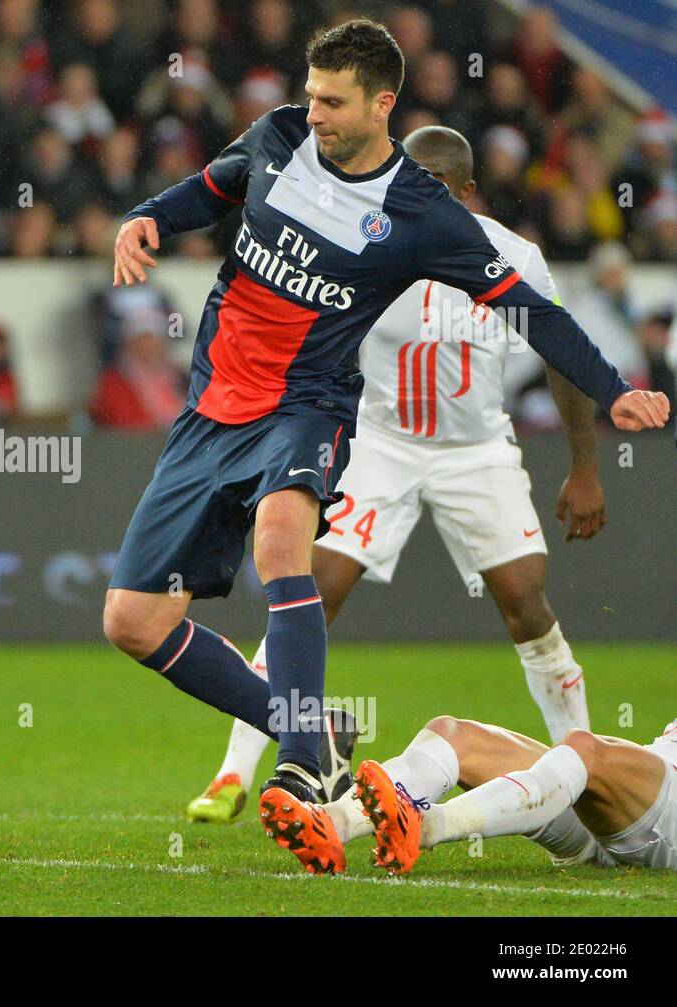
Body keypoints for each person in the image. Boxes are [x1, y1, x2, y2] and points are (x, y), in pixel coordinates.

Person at [104, 20, 669, 857]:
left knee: (285, 542)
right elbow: (213, 189)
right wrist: (148, 218)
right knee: (132, 621)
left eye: (332, 100)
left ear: (382, 104)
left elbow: (532, 311)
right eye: (310, 93)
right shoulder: (280, 135)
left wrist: (612, 389)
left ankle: (301, 764)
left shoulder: (421, 212)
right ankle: (317, 727)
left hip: (309, 402)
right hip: (213, 405)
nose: (314, 111)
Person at [185, 126, 613, 838]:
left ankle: (585, 766)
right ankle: (235, 767)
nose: (418, 192)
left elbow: (563, 356)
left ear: (465, 193)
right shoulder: (360, 242)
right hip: (378, 445)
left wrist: (586, 465)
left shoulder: (511, 256)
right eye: (410, 175)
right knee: (308, 589)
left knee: (525, 602)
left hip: (476, 452)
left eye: (437, 184)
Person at [304, 713, 677, 876]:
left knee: (585, 748)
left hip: (664, 820)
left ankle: (425, 825)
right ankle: (334, 823)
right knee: (455, 735)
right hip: (631, 799)